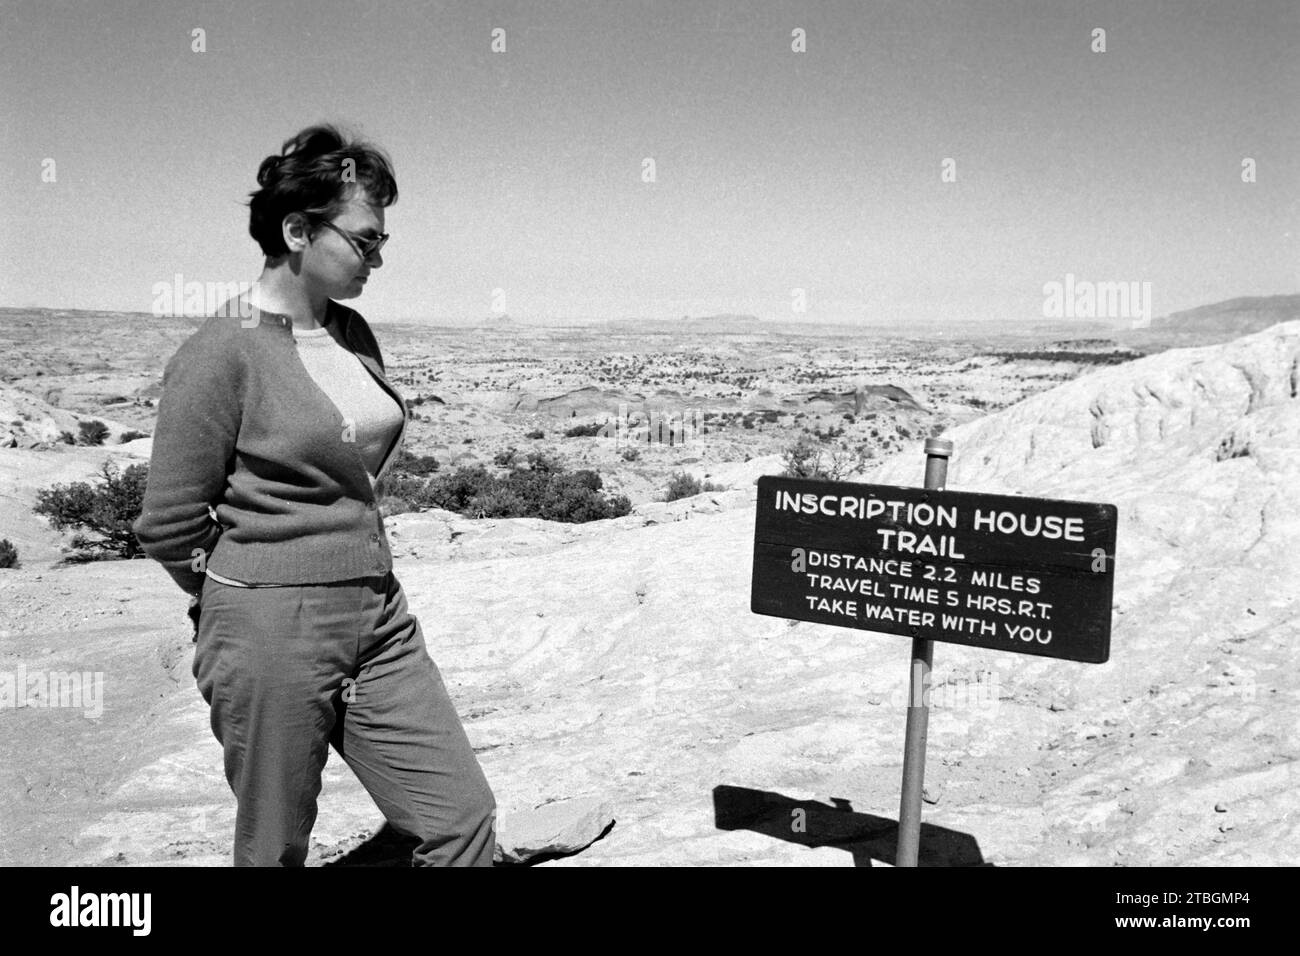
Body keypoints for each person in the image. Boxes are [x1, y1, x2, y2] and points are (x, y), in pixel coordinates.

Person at [133, 123, 497, 867]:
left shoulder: (352, 331)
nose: (378, 258)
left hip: (378, 614)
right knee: (274, 847)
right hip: (267, 625)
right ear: (298, 229)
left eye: (382, 243)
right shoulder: (220, 352)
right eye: (365, 241)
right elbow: (168, 522)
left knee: (459, 820)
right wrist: (245, 594)